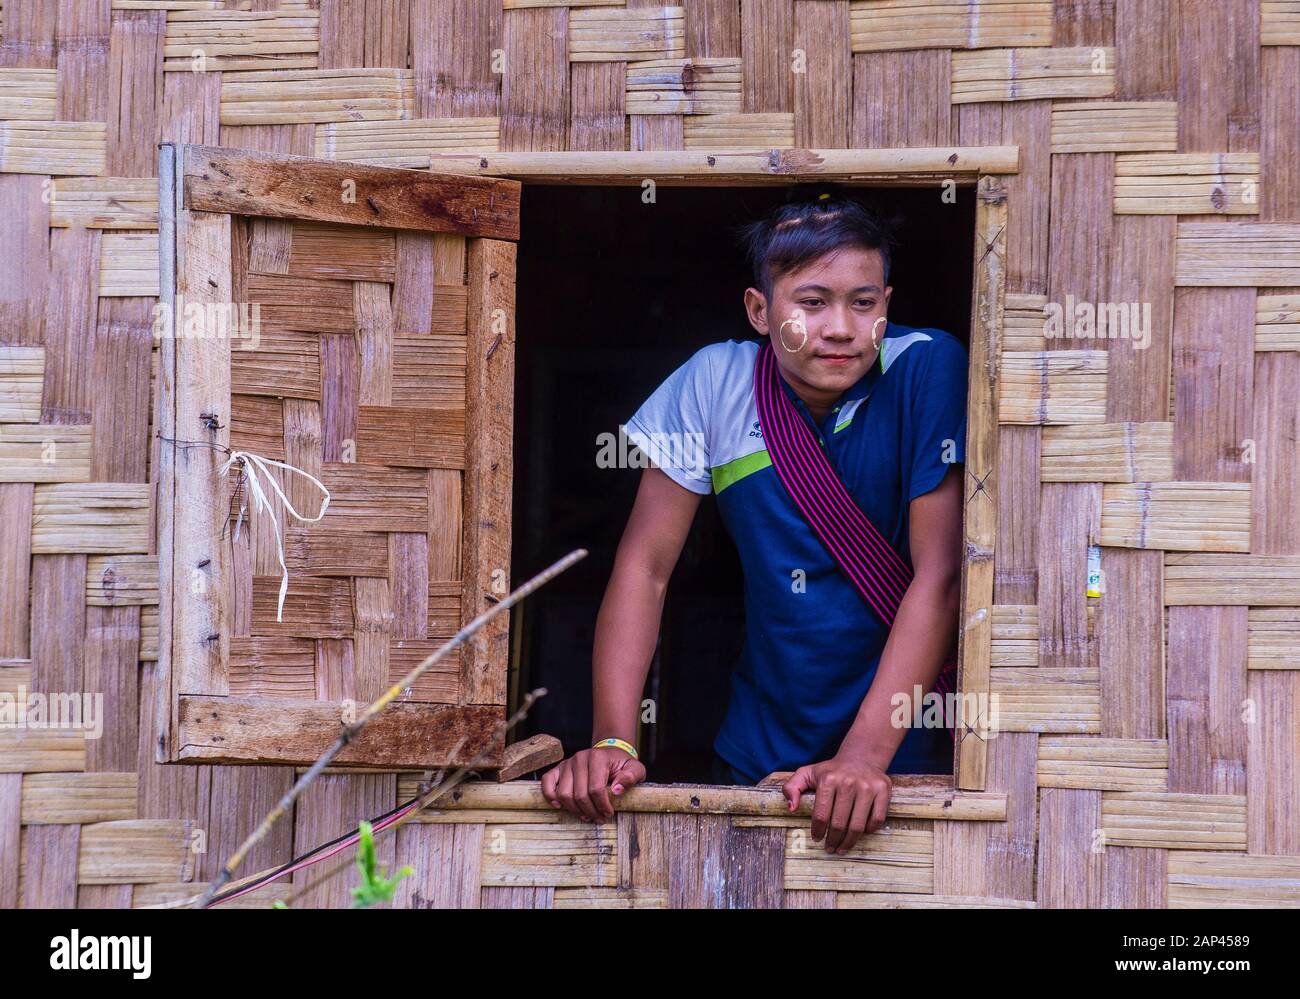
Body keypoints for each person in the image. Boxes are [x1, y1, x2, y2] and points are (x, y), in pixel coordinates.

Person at [541, 185, 968, 856]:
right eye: (811, 302)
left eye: (863, 303)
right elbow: (645, 568)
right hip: (759, 749)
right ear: (760, 311)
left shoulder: (927, 367)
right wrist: (613, 743)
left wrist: (861, 758)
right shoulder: (714, 384)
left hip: (905, 751)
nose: (839, 327)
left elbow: (941, 574)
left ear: (887, 305)